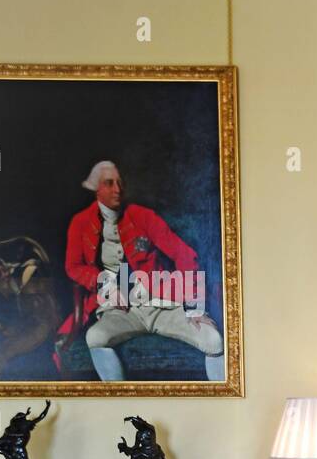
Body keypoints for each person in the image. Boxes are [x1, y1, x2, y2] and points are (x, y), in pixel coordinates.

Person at [61, 160, 225, 382]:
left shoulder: (142, 215)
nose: (117, 190)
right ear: (96, 188)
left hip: (162, 304)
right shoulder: (80, 222)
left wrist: (195, 307)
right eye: (109, 183)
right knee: (95, 336)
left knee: (213, 340)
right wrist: (102, 283)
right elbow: (73, 266)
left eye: (120, 183)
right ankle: (121, 406)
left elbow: (184, 255)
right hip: (120, 310)